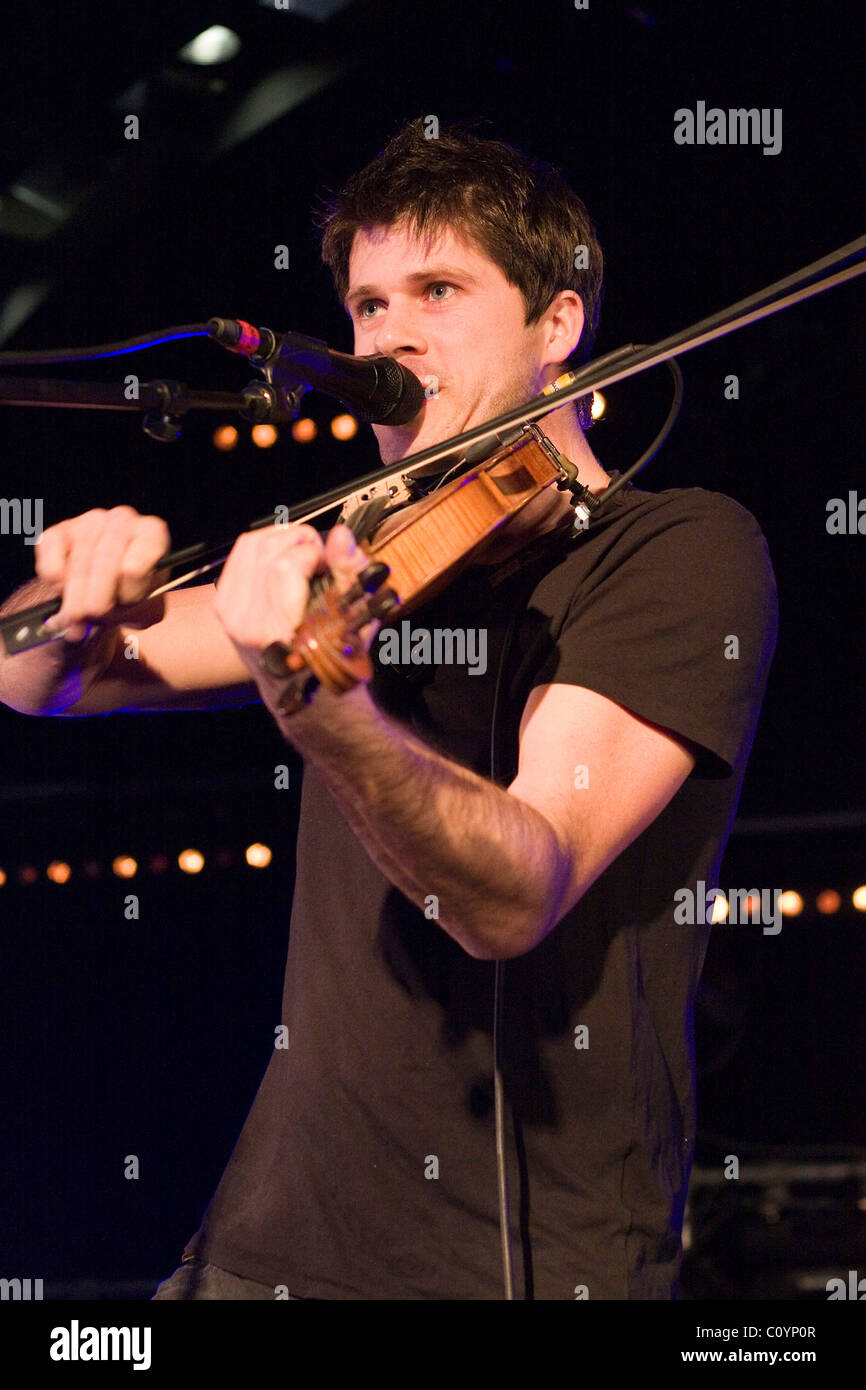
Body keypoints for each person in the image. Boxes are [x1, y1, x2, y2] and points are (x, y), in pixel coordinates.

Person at [0, 119, 778, 1300]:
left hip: (512, 1268)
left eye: (437, 289)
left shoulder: (674, 550)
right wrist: (68, 596)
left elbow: (516, 890)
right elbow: (32, 677)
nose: (389, 334)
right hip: (262, 1255)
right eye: (366, 306)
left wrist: (309, 694)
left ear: (556, 325)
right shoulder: (369, 552)